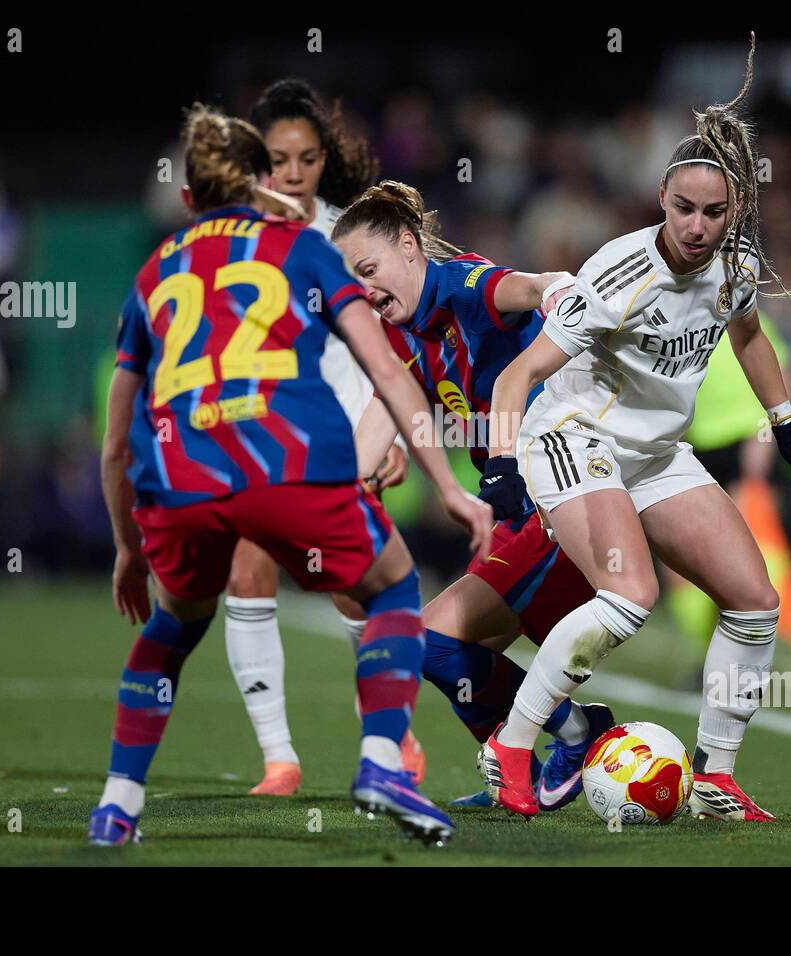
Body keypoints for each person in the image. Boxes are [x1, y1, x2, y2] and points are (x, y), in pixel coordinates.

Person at [89, 105, 492, 847]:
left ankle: (117, 804)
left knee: (172, 627)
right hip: (289, 465)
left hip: (180, 478)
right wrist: (448, 486)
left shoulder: (153, 272)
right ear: (261, 186)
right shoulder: (303, 248)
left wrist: (125, 548)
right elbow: (389, 371)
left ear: (188, 199)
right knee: (393, 587)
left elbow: (115, 444)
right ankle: (382, 760)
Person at [477, 36, 791, 821]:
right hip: (575, 437)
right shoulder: (618, 274)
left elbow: (749, 336)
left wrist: (788, 429)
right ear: (661, 200)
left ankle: (714, 778)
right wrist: (501, 465)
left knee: (754, 601)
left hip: (654, 451)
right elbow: (517, 376)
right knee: (631, 594)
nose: (697, 226)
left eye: (714, 212)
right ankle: (512, 744)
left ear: (734, 210)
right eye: (684, 209)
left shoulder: (736, 264)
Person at [333, 181, 616, 812]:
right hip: (515, 512)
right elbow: (385, 410)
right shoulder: (402, 334)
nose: (365, 290)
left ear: (409, 247)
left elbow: (531, 286)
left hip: (557, 494)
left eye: (369, 271)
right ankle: (515, 773)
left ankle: (578, 732)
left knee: (427, 640)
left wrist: (556, 287)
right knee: (464, 653)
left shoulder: (463, 286)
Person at [221, 79, 419, 798]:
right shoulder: (230, 243)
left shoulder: (347, 238)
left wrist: (391, 434)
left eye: (306, 158)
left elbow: (388, 342)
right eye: (278, 160)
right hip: (258, 435)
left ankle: (390, 730)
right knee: (246, 575)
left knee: (352, 591)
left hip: (342, 436)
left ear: (323, 158)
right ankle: (279, 760)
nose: (294, 172)